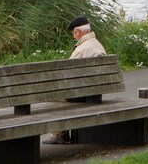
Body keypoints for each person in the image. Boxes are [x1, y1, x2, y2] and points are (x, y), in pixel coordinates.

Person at [45, 17, 106, 145]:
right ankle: (61, 132)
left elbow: (67, 74)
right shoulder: (96, 44)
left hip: (82, 94)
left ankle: (58, 134)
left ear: (78, 32)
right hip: (95, 92)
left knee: (53, 97)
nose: (74, 36)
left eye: (74, 33)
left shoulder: (81, 49)